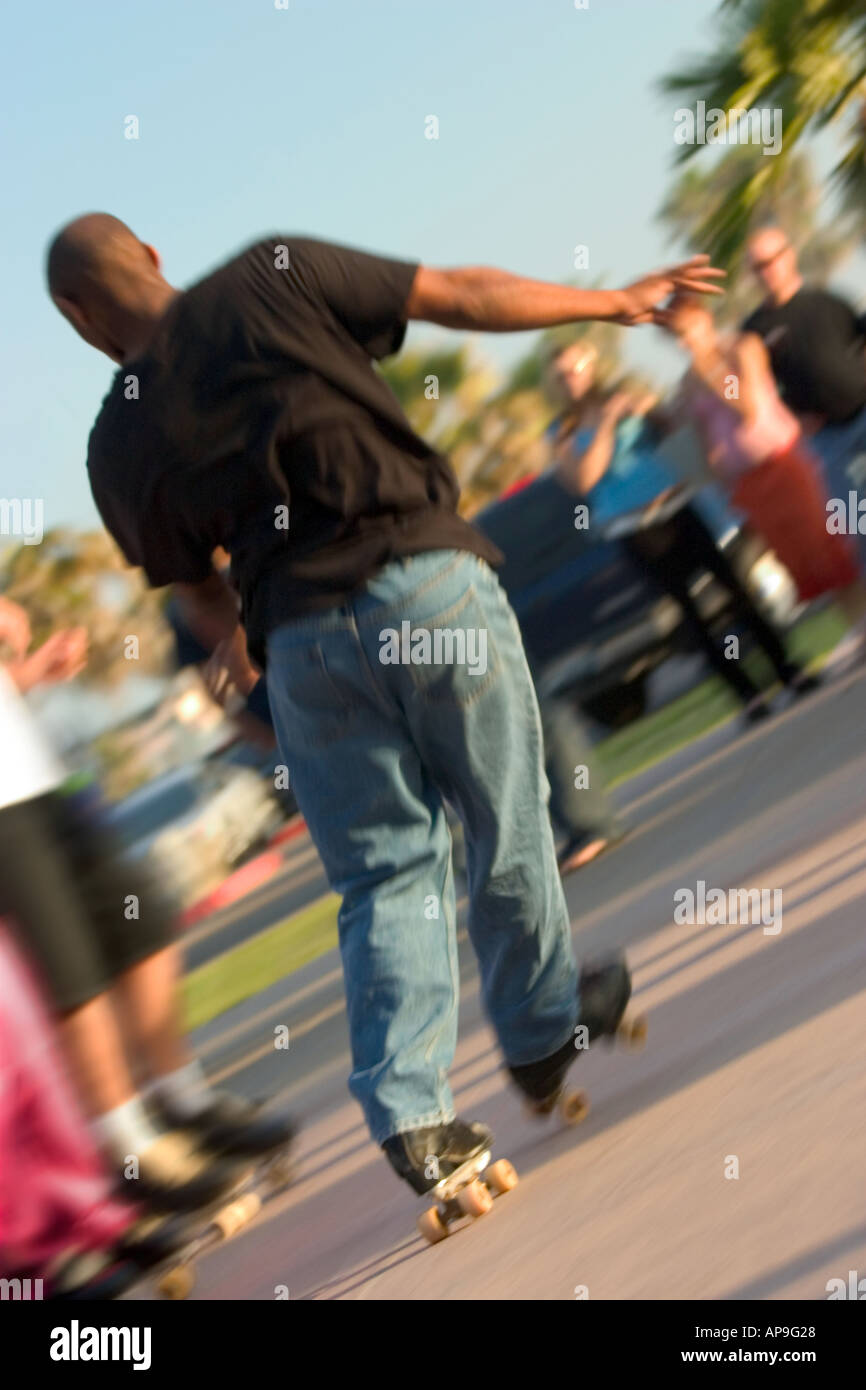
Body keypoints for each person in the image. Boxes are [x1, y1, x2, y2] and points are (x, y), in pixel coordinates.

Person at [46, 211, 723, 1197]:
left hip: (303, 647)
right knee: (503, 813)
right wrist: (612, 301)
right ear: (149, 253)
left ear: (77, 317)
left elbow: (196, 595)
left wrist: (248, 654)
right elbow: (461, 293)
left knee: (384, 874)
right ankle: (540, 1032)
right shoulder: (271, 273)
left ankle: (417, 1117)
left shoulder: (115, 441)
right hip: (423, 584)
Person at [0, 595, 293, 1214]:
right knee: (70, 970)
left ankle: (182, 1101)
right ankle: (128, 1147)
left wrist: (26, 676)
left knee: (140, 919)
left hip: (35, 776)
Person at [548, 341, 819, 723]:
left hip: (676, 507)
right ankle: (747, 694)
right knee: (693, 614)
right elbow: (583, 480)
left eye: (575, 369)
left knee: (735, 589)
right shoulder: (563, 431)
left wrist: (649, 410)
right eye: (561, 376)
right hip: (637, 529)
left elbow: (671, 429)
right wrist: (606, 423)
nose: (571, 380)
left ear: (590, 367)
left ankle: (787, 668)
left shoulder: (620, 394)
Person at [662, 293, 865, 664]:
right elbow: (702, 437)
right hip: (746, 481)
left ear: (705, 320)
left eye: (686, 330)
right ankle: (857, 627)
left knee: (830, 549)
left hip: (782, 460)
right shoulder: (688, 382)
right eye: (675, 336)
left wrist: (710, 369)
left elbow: (748, 406)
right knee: (805, 563)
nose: (683, 343)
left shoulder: (741, 348)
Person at [743, 227, 866, 573]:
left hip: (862, 409)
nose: (768, 270)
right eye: (758, 266)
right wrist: (792, 418)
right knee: (854, 521)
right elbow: (745, 386)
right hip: (827, 439)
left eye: (773, 259)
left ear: (789, 255)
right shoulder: (754, 330)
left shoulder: (826, 300)